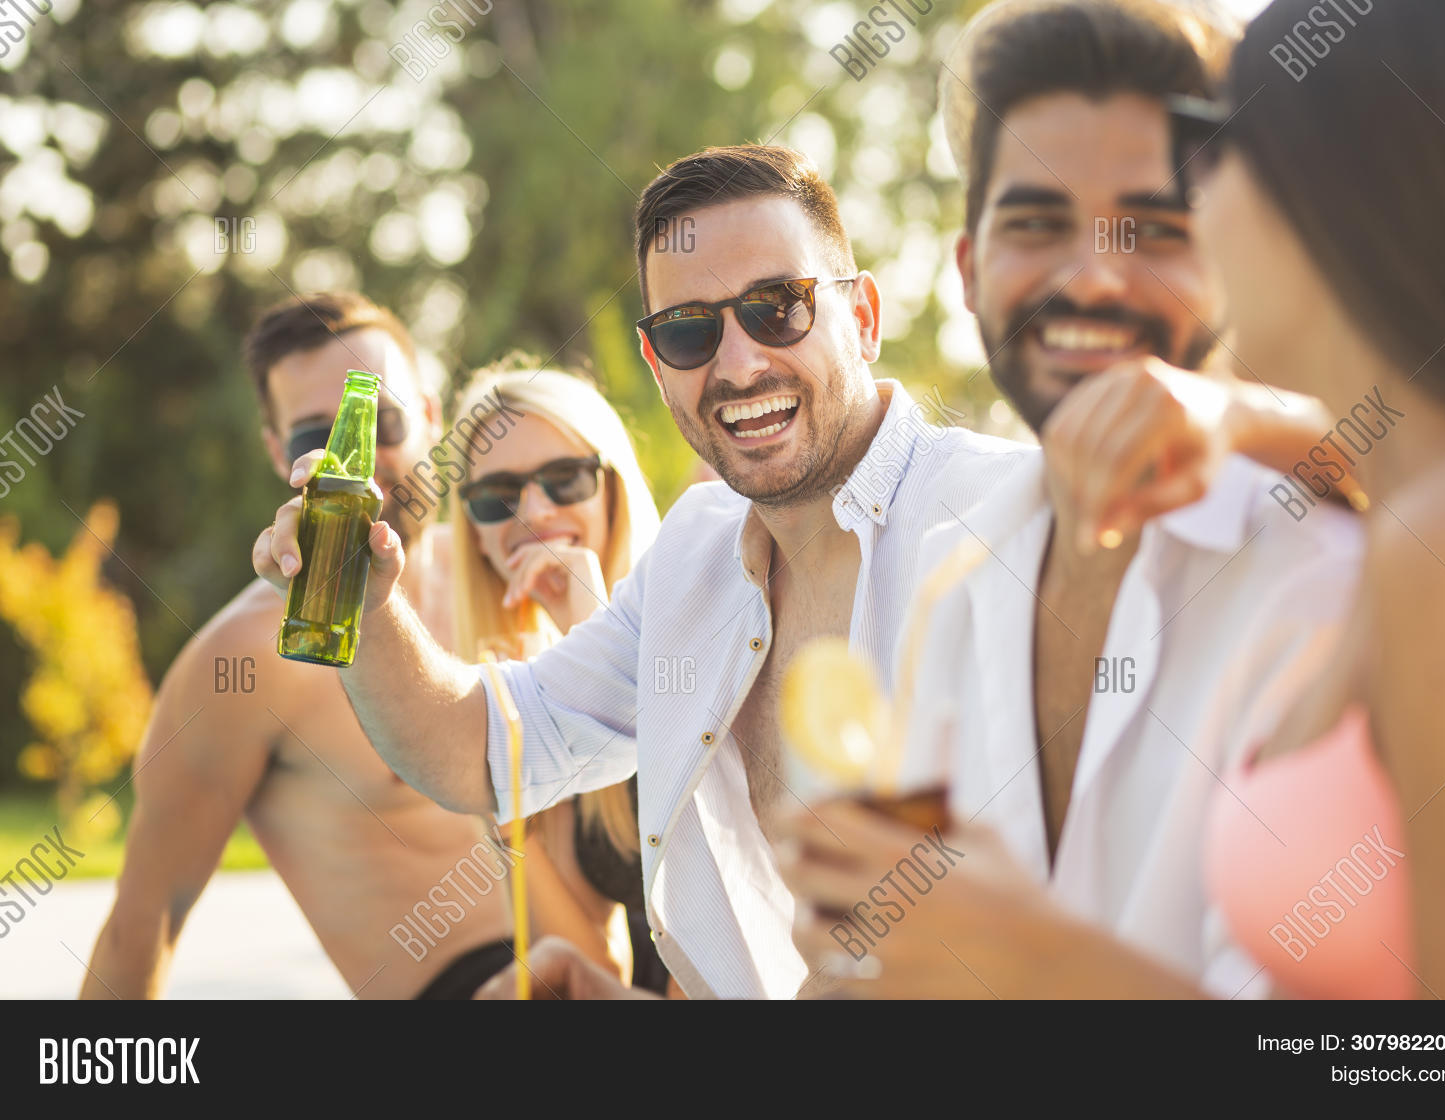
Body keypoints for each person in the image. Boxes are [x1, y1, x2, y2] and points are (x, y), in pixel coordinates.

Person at [253, 144, 1033, 999]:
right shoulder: (692, 557)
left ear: (865, 317)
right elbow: (484, 750)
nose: (738, 365)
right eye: (691, 330)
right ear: (658, 363)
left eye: (778, 308)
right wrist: (367, 604)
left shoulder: (1011, 520)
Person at [777, 0, 1371, 997]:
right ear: (969, 272)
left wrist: (1031, 964)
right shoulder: (957, 568)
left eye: (1154, 228)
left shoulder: (1325, 576)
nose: (1093, 277)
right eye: (1037, 223)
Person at [80, 291, 516, 1000]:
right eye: (323, 430)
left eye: (384, 420)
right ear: (278, 450)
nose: (358, 456)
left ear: (433, 417)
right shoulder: (244, 663)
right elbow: (141, 928)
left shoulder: (511, 574)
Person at [439, 356, 674, 995]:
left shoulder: (698, 614)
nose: (535, 511)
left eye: (565, 479)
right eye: (497, 496)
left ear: (613, 489)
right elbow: (589, 966)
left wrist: (589, 624)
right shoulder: (518, 689)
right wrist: (506, 802)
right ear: (477, 533)